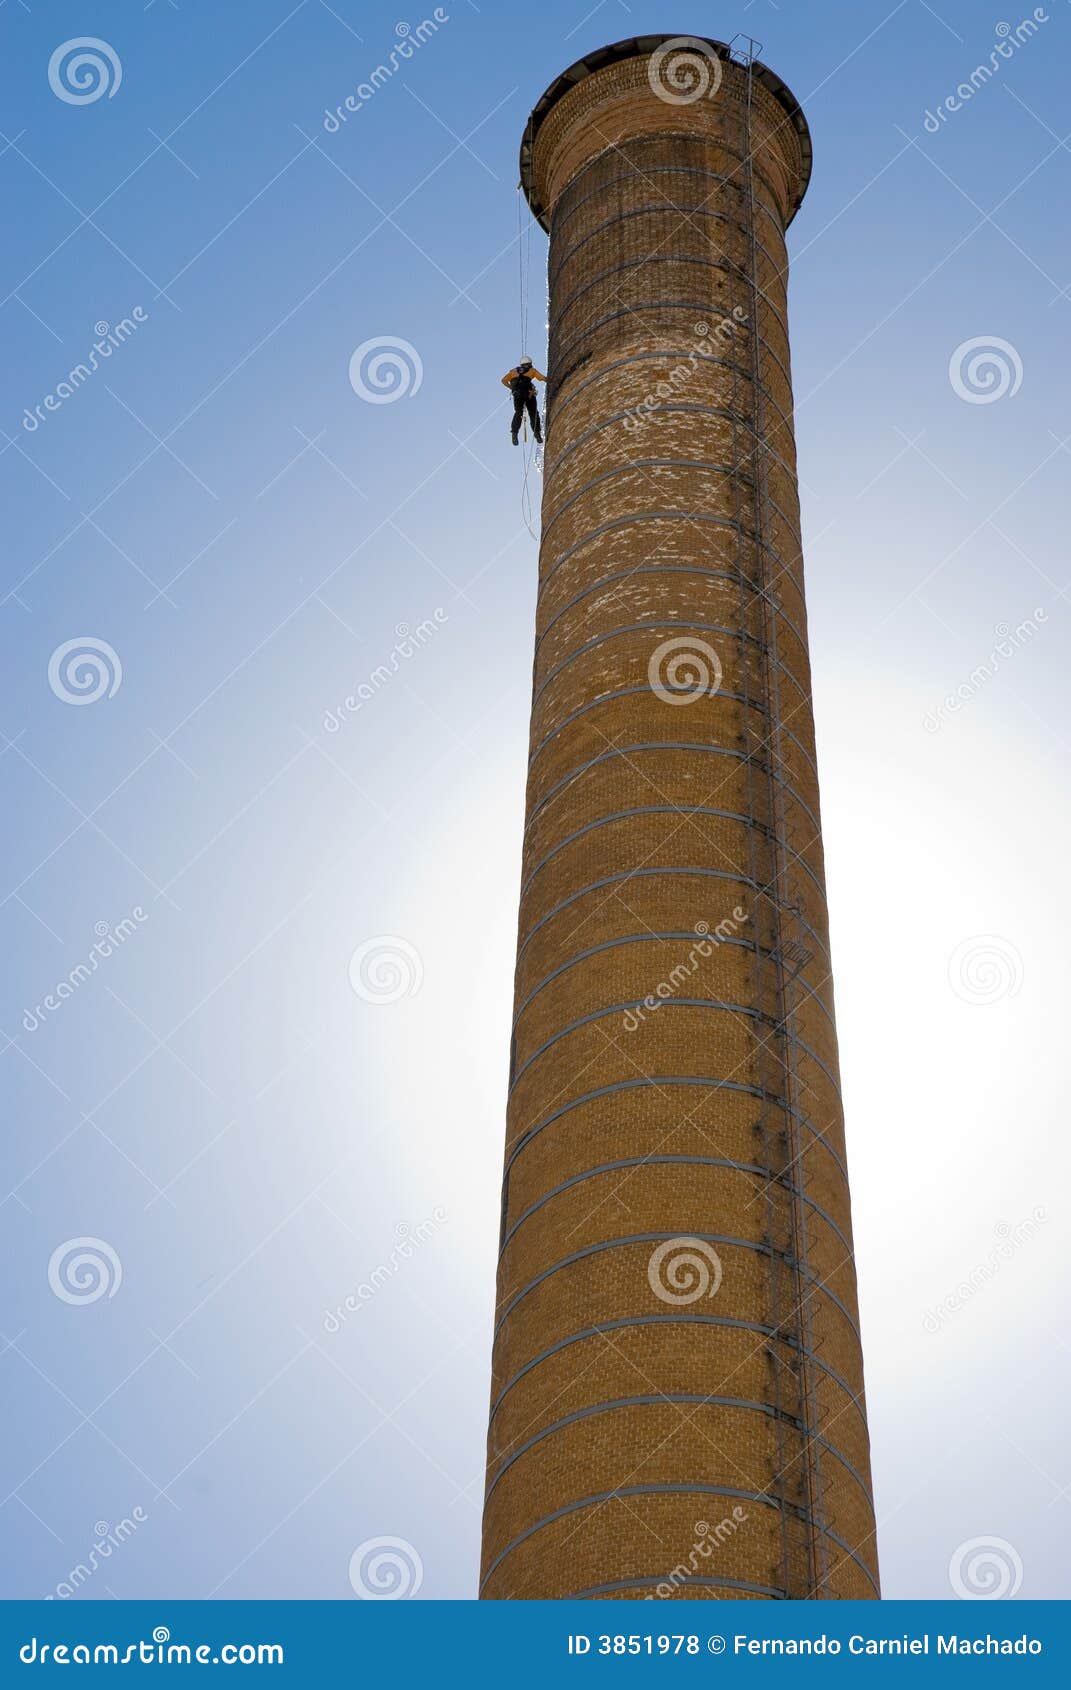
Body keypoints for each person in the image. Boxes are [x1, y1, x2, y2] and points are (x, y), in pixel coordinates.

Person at [501, 357, 544, 445]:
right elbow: (542, 378)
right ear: (530, 363)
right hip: (529, 394)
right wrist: (550, 379)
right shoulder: (532, 371)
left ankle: (514, 434)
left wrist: (512, 388)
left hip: (517, 395)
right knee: (533, 413)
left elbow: (503, 381)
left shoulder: (513, 371)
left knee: (518, 413)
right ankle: (537, 434)